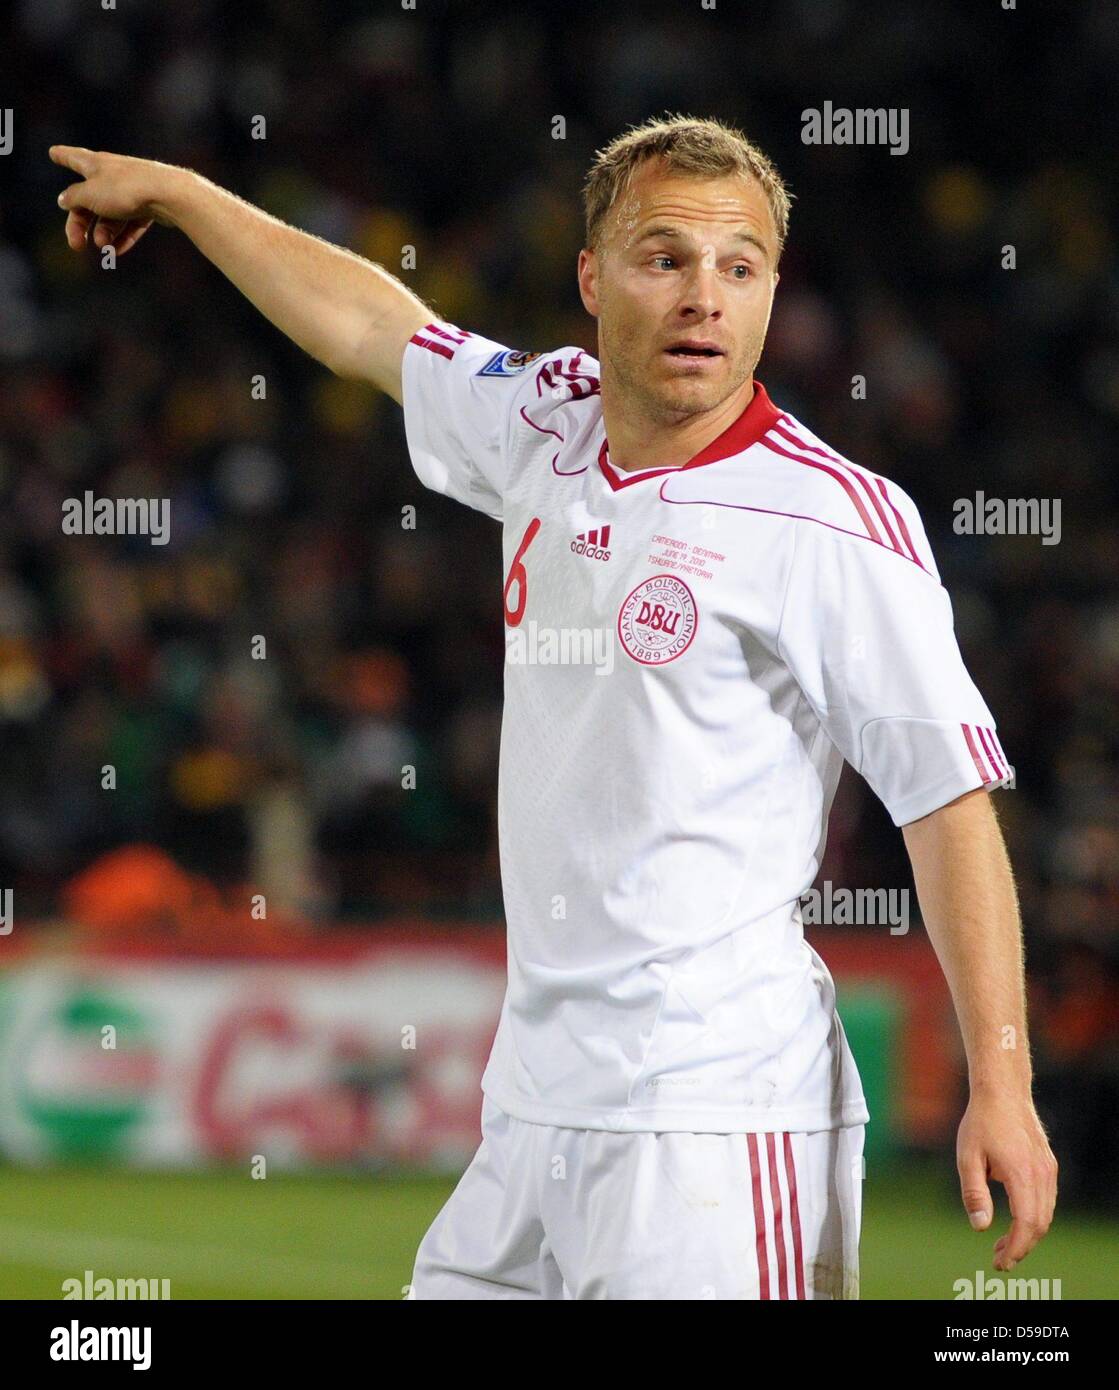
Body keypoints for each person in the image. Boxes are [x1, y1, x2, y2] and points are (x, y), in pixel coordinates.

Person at [50, 112, 1057, 1300]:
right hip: (531, 1109)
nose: (704, 297)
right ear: (592, 275)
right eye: (664, 256)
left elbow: (949, 806)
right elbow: (378, 327)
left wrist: (1003, 1080)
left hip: (714, 1127)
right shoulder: (545, 418)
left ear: (775, 293)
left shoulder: (834, 523)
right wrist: (182, 196)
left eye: (741, 268)